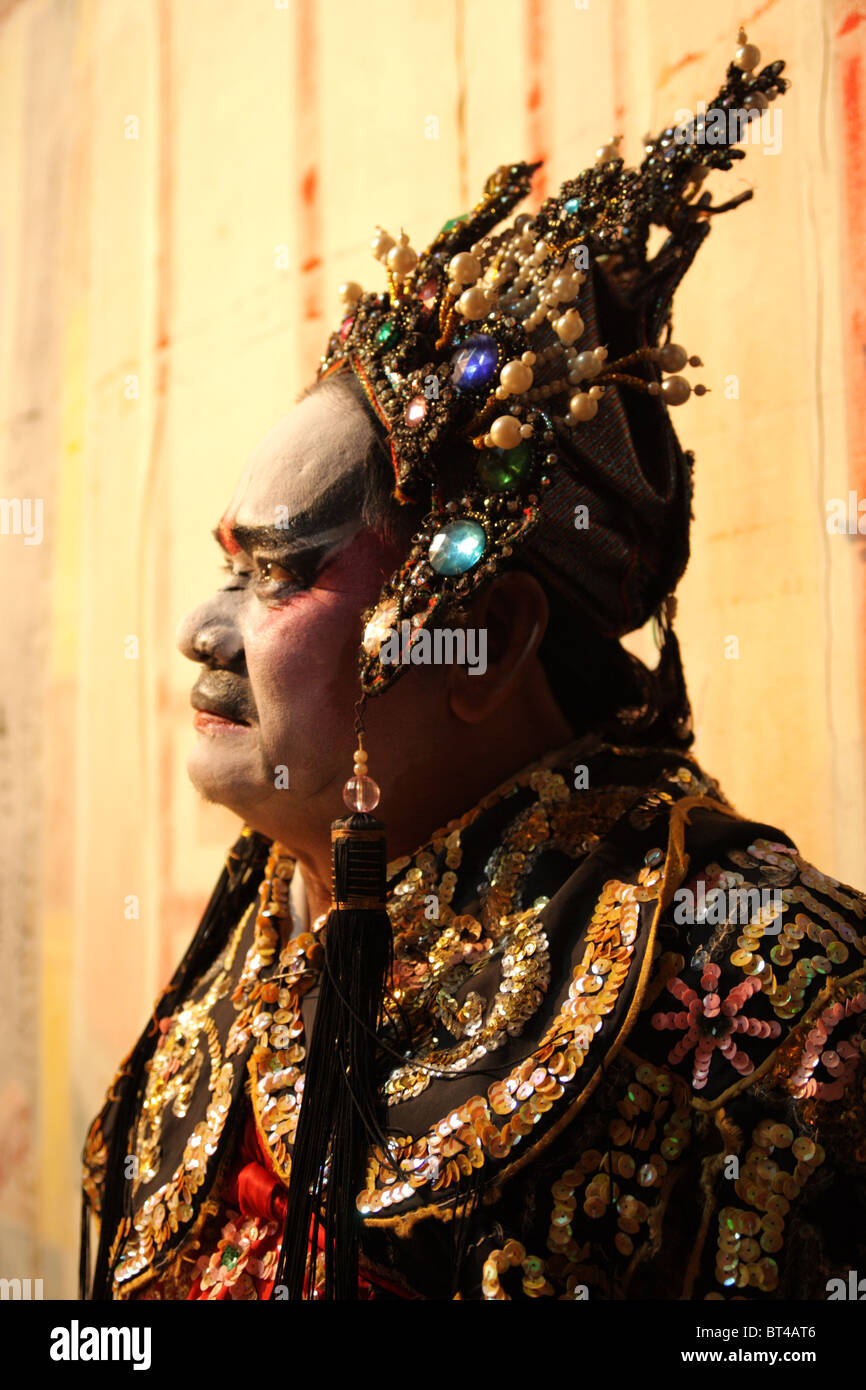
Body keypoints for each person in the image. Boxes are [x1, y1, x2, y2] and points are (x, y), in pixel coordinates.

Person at [80, 30, 866, 1302]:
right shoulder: (256, 931)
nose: (201, 627)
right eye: (231, 563)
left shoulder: (775, 996)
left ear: (486, 640)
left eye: (282, 569)